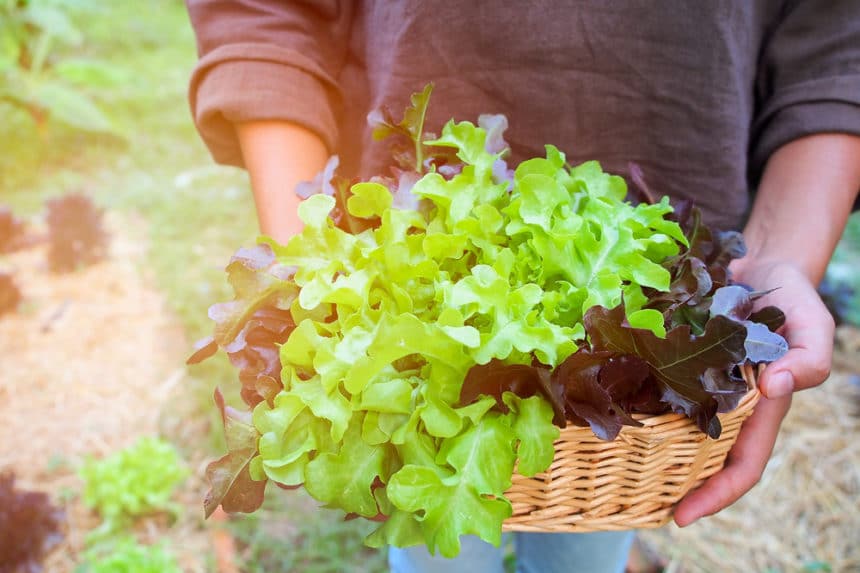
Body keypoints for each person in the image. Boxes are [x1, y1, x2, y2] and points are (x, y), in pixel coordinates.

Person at [184, 2, 860, 572]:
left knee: (589, 538)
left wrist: (780, 260)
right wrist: (311, 267)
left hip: (645, 349)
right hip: (411, 295)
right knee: (439, 542)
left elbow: (837, 36)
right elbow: (265, 14)